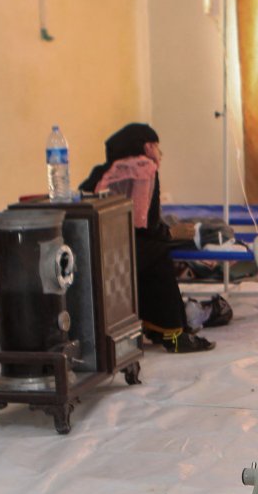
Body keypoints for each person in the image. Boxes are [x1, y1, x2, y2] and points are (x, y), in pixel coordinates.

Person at [77, 123, 228, 354]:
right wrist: (171, 233)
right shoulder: (144, 169)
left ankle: (153, 326)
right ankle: (173, 333)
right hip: (130, 247)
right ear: (146, 147)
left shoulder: (103, 171)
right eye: (156, 146)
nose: (159, 153)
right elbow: (143, 223)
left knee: (156, 248)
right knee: (159, 257)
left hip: (99, 247)